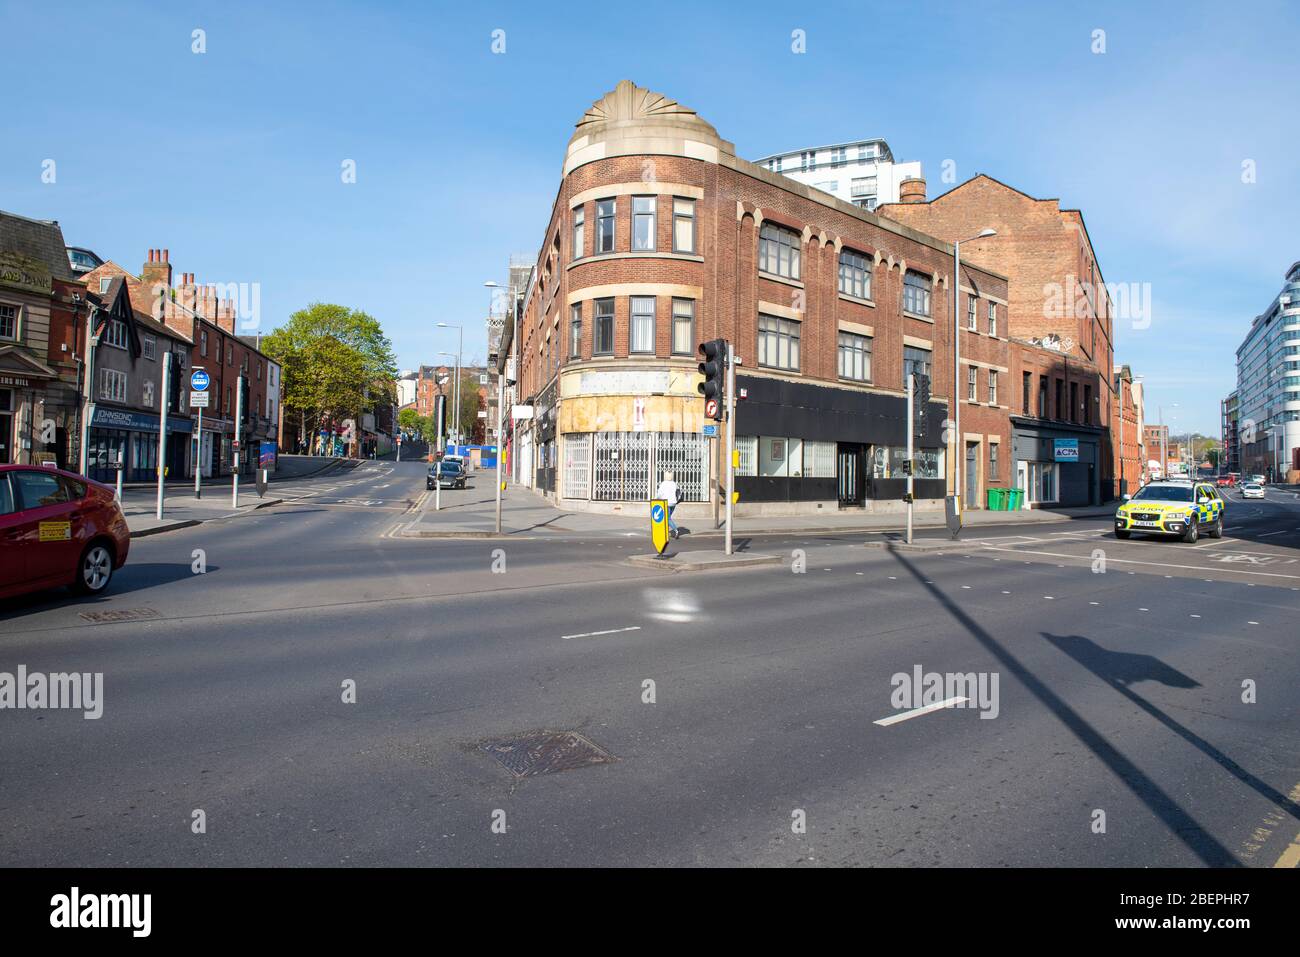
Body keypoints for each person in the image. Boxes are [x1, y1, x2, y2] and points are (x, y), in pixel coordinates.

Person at [654, 470, 682, 539]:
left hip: (667, 503)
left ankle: (676, 531)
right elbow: (678, 492)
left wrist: (656, 498)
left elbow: (659, 494)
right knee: (668, 518)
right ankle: (665, 532)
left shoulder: (663, 483)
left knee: (667, 518)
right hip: (674, 503)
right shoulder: (674, 483)